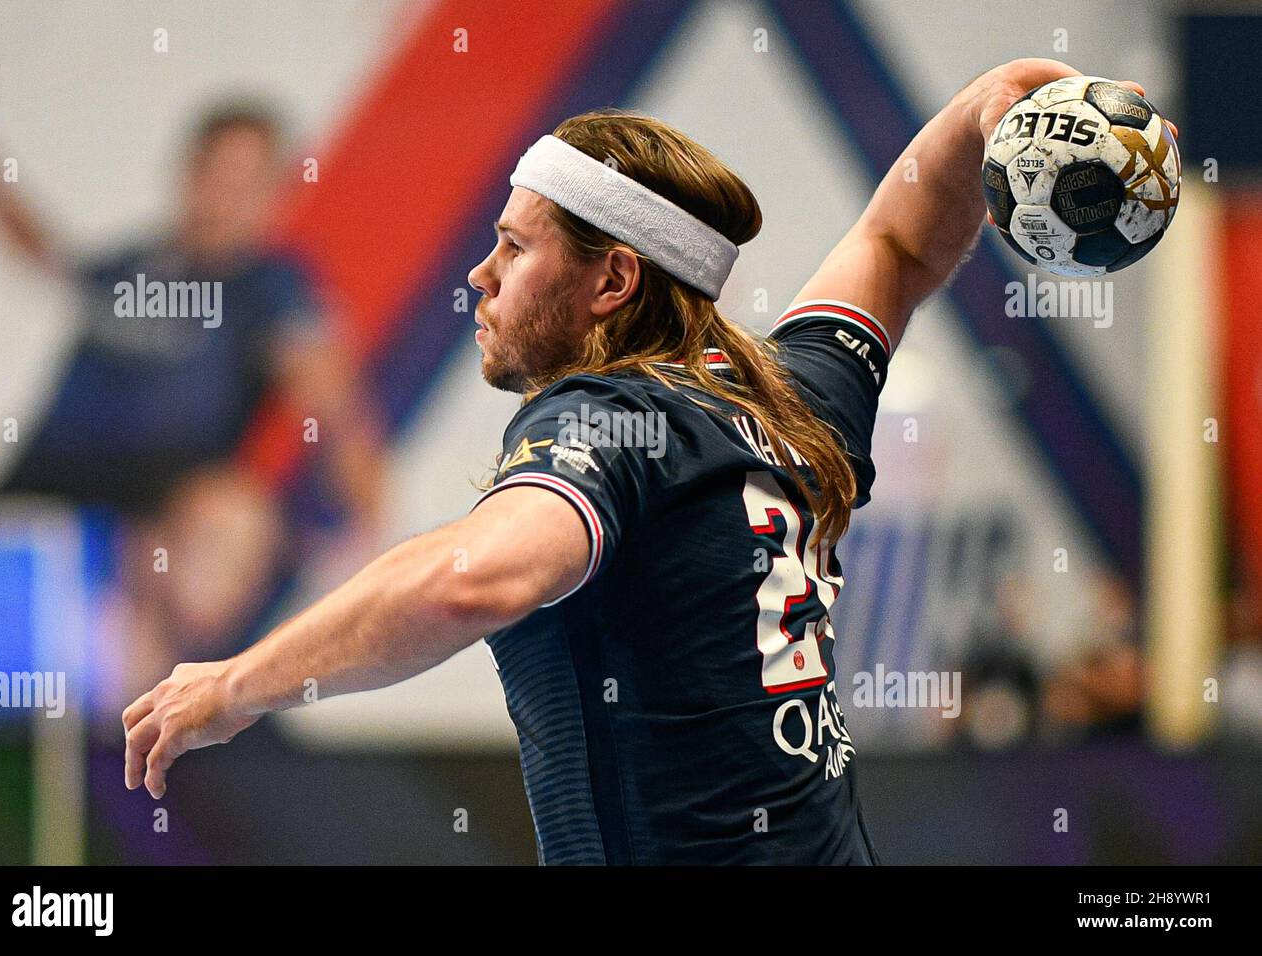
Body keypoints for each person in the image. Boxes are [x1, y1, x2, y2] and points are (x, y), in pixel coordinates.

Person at [123, 59, 1161, 864]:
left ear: (613, 278)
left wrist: (238, 682)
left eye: (516, 248)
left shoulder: (612, 421)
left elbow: (470, 574)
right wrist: (998, 102)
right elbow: (898, 240)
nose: (479, 276)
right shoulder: (790, 396)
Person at [0, 47, 384, 669]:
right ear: (189, 172)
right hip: (39, 497)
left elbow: (331, 396)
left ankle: (149, 728)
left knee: (230, 525)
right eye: (219, 171)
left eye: (251, 177)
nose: (229, 193)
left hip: (155, 526)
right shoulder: (136, 263)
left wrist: (366, 523)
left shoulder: (271, 285)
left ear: (275, 190)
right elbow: (39, 249)